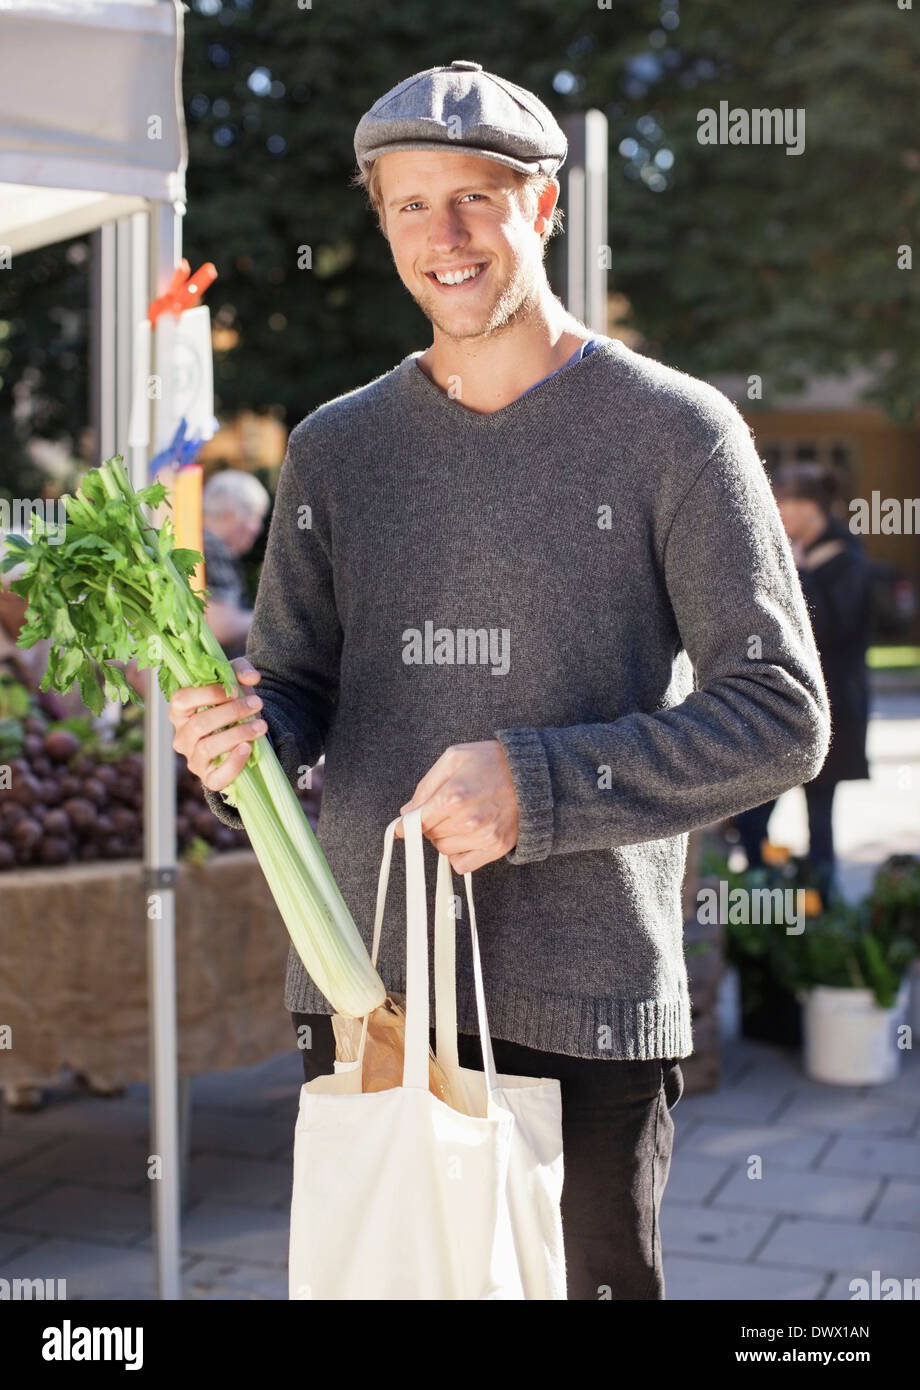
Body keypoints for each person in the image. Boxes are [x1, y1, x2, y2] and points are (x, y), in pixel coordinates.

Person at [166, 61, 830, 1300]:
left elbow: (778, 717)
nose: (445, 235)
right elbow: (299, 679)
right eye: (409, 204)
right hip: (369, 987)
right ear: (380, 223)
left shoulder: (677, 432)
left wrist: (538, 783)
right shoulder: (336, 447)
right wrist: (239, 732)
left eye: (475, 196)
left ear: (547, 205)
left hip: (582, 995)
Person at [732, 462, 872, 903]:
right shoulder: (796, 553)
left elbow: (830, 626)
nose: (779, 512)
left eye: (785, 502)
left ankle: (821, 908)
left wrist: (799, 573)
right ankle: (767, 892)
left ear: (812, 507)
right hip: (783, 705)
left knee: (820, 815)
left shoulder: (846, 560)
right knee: (751, 815)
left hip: (833, 709)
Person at [201, 469, 271, 658]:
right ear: (228, 512)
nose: (258, 528)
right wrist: (275, 620)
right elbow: (217, 625)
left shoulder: (204, 542)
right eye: (254, 516)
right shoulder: (211, 548)